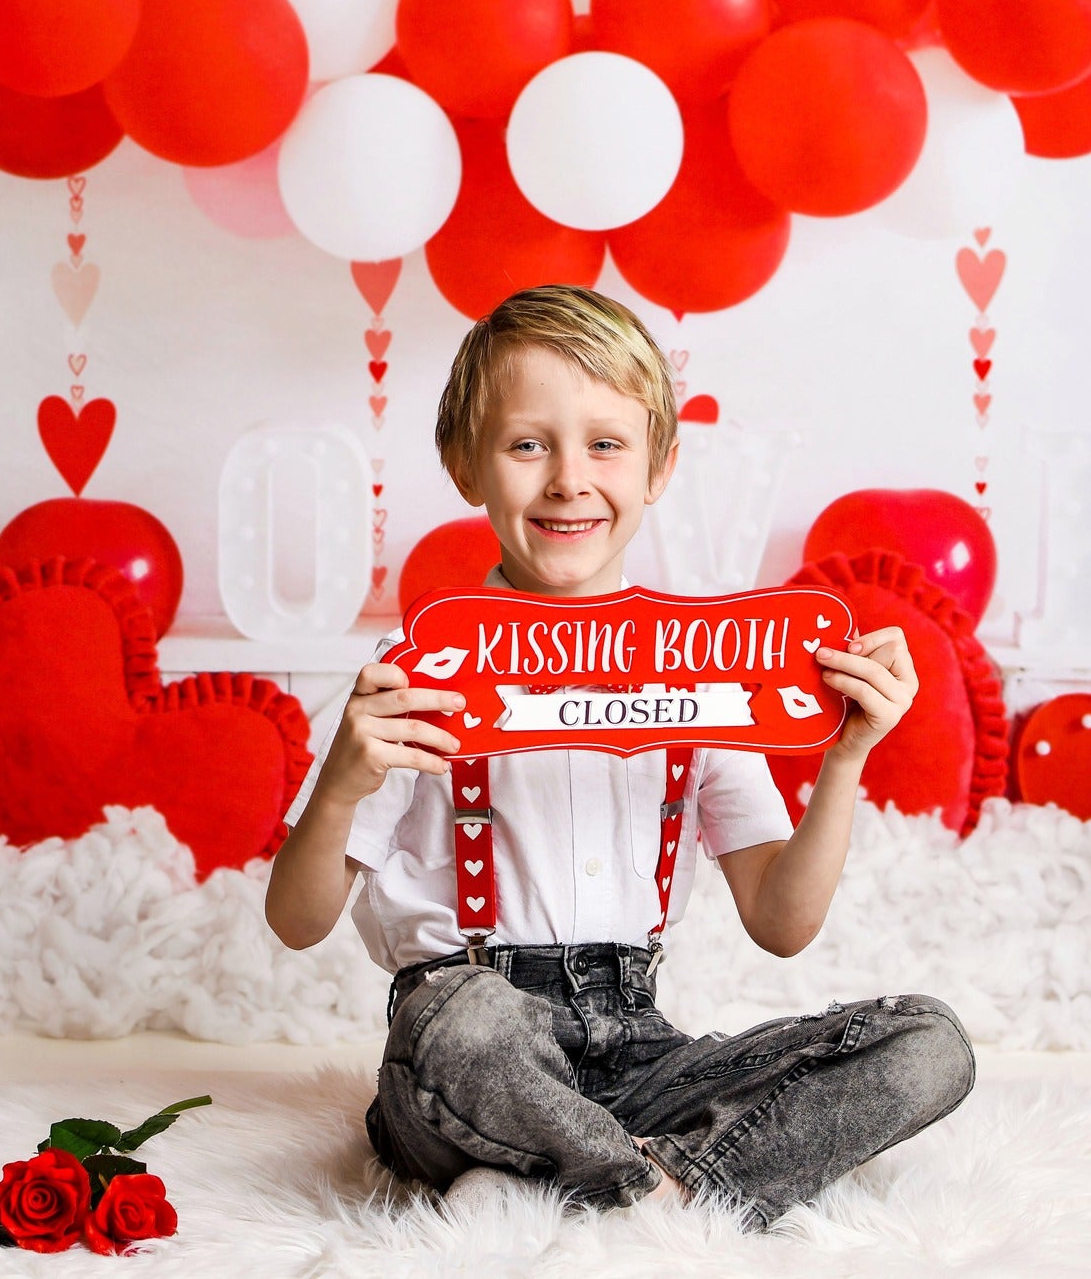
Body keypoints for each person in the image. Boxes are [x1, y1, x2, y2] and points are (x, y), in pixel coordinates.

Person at [264, 285, 976, 1232]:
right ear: (465, 464)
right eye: (528, 445)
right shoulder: (417, 674)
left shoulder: (709, 673)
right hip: (470, 1049)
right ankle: (655, 1185)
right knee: (460, 1018)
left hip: (642, 1056)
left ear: (658, 468)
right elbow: (296, 920)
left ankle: (605, 1178)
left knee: (928, 1042)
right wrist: (341, 787)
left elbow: (781, 923)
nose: (569, 479)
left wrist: (844, 761)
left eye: (606, 443)